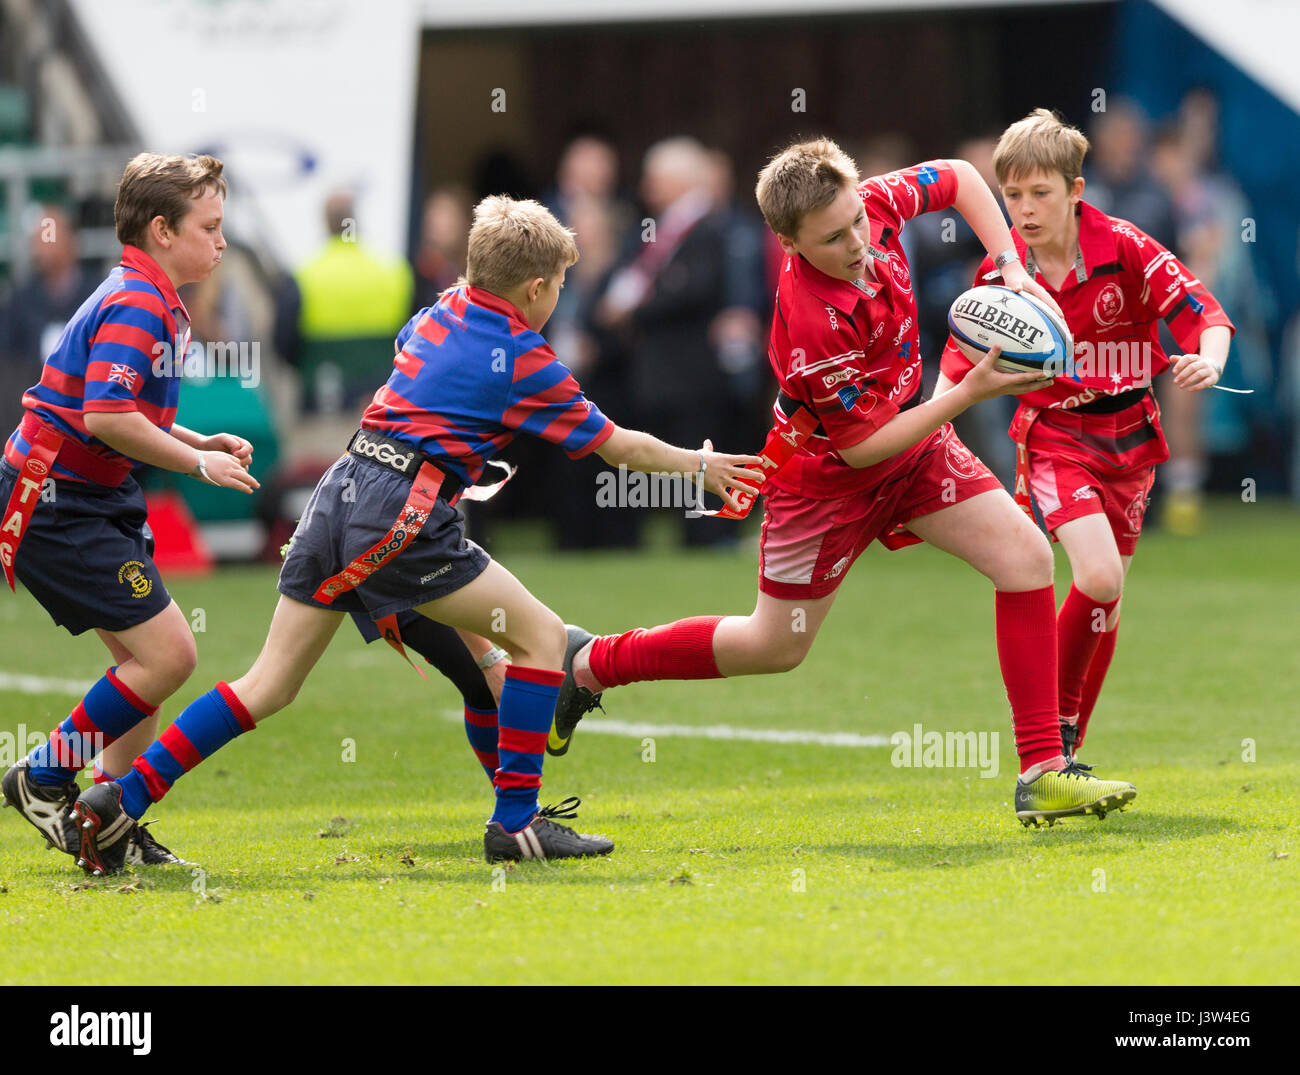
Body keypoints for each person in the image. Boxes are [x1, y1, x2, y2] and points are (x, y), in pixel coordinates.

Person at [70, 195, 764, 873]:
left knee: (271, 681)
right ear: (535, 288)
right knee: (543, 638)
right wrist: (699, 465)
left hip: (339, 490)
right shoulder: (523, 352)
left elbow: (426, 386)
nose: (555, 301)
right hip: (399, 510)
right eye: (556, 288)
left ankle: (118, 797)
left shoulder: (441, 312)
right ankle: (517, 823)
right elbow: (621, 448)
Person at [551, 137, 1140, 827]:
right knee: (775, 646)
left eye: (857, 219)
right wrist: (969, 391)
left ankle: (1042, 769)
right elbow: (862, 450)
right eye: (833, 238)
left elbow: (956, 178)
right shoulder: (809, 321)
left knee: (1027, 557)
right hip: (827, 480)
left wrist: (1010, 265)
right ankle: (590, 662)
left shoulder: (870, 204)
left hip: (915, 446)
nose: (857, 241)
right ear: (788, 242)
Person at [933, 109, 1234, 763]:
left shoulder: (1124, 245)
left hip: (1132, 436)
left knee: (1108, 599)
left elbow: (1203, 312)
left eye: (1040, 192)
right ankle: (1049, 737)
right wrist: (922, 435)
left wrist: (1207, 359)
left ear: (1076, 189)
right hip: (1053, 435)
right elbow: (953, 372)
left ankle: (1066, 748)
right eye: (1011, 195)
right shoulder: (999, 276)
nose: (1024, 209)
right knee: (1097, 575)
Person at [0, 153, 259, 865]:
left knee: (139, 668)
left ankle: (103, 820)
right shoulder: (139, 301)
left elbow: (119, 410)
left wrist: (193, 436)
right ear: (162, 230)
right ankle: (44, 772)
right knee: (169, 654)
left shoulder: (148, 293)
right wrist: (196, 463)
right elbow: (106, 414)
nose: (222, 241)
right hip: (56, 497)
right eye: (210, 227)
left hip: (89, 493)